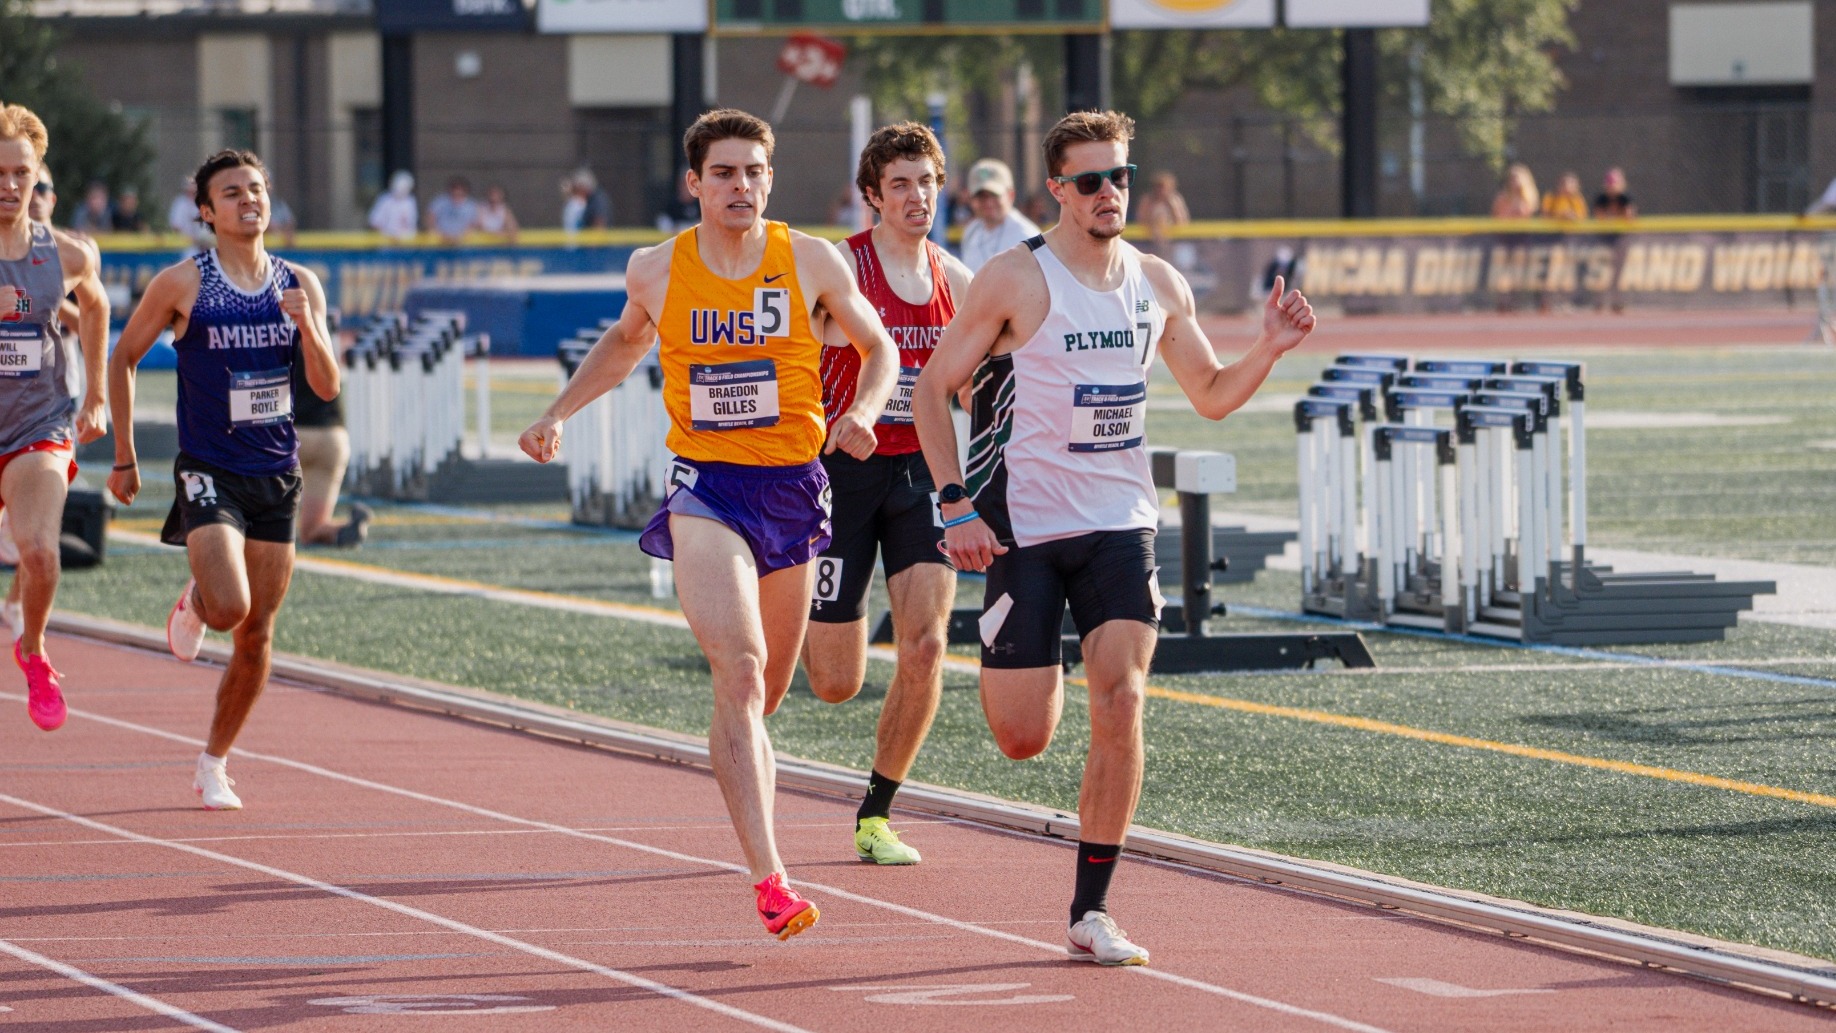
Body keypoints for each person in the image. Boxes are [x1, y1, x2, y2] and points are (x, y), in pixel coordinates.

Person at [911, 110, 1317, 967]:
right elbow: (932, 389)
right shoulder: (1014, 280)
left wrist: (1271, 347)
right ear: (1057, 190)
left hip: (1121, 523)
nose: (1109, 193)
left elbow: (1210, 393)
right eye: (1091, 180)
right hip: (1024, 527)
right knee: (1022, 736)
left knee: (1124, 699)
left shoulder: (1158, 282)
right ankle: (1039, 654)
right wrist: (954, 503)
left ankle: (1091, 910)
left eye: (1120, 177)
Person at [519, 109, 897, 940]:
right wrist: (557, 412)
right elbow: (625, 344)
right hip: (707, 489)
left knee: (765, 694)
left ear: (771, 178)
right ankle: (771, 877)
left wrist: (865, 410)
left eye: (754, 171)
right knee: (742, 669)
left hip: (794, 487)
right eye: (724, 172)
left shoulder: (811, 259)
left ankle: (750, 796)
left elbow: (880, 348)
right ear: (694, 182)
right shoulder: (657, 268)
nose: (741, 185)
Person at [107, 149, 340, 810]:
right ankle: (203, 599)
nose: (248, 200)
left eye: (256, 189)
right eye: (232, 193)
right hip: (210, 467)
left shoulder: (299, 283)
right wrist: (125, 455)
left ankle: (214, 762)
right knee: (232, 606)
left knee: (257, 633)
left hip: (277, 472)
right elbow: (123, 357)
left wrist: (307, 325)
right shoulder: (184, 283)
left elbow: (327, 386)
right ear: (207, 212)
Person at [803, 122, 972, 866]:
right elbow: (789, 351)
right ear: (873, 195)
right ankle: (797, 606)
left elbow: (980, 381)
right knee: (836, 682)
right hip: (841, 474)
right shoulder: (841, 266)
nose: (916, 197)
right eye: (900, 184)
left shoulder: (957, 279)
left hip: (923, 473)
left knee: (927, 645)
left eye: (926, 182)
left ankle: (876, 813)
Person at [0, 105, 111, 732]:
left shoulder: (66, 253)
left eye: (21, 173)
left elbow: (95, 308)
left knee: (40, 552)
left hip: (37, 425)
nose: (9, 185)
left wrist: (95, 394)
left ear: (37, 175)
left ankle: (34, 648)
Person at [293, 320, 370, 549]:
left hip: (291, 437)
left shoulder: (270, 339)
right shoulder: (323, 342)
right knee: (311, 529)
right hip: (331, 438)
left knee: (260, 523)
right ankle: (341, 531)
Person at [959, 158, 1039, 273]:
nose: (988, 202)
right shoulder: (971, 232)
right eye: (981, 196)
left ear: (1010, 195)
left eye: (994, 195)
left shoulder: (1027, 236)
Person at [1137, 171, 1191, 259]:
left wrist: (1172, 206)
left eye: (1164, 187)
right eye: (1158, 186)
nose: (1161, 190)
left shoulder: (1175, 200)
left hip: (1173, 242)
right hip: (1149, 242)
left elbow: (1182, 222)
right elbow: (1141, 220)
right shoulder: (1147, 200)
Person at [368, 170, 419, 242]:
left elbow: (412, 225)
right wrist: (389, 236)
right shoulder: (385, 200)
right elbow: (374, 223)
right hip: (387, 244)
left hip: (407, 245)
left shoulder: (410, 202)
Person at [426, 176, 478, 245]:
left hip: (463, 243)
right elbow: (430, 220)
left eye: (460, 189)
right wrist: (439, 235)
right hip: (440, 242)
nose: (457, 191)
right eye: (455, 188)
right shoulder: (439, 201)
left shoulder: (471, 205)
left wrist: (461, 237)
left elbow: (474, 224)